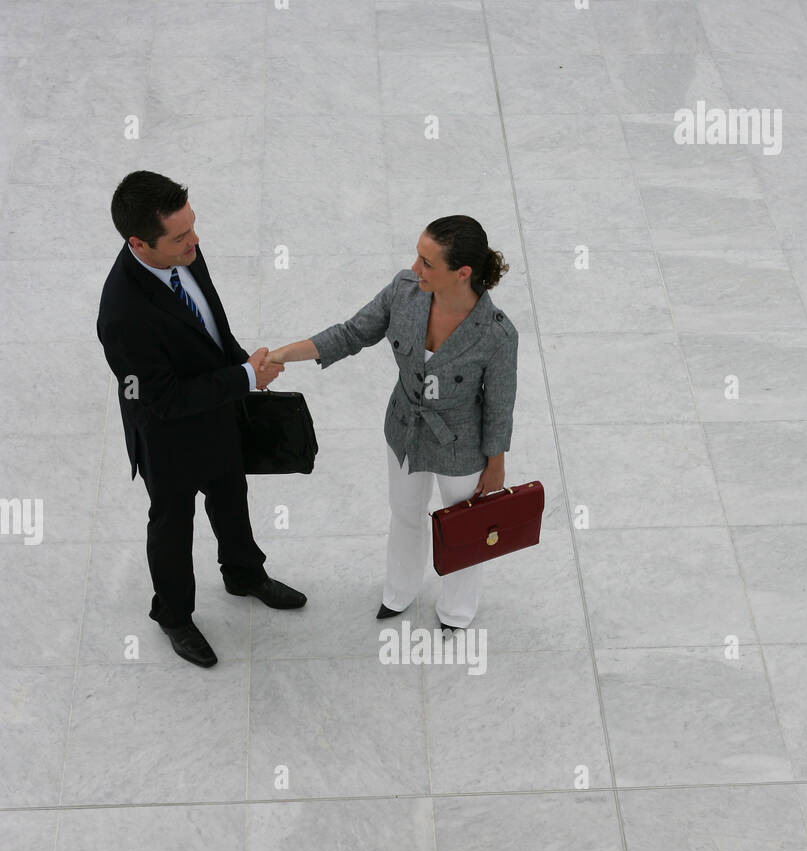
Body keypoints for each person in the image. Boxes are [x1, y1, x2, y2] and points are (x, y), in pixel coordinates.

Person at [266, 215, 518, 631]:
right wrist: (281, 355)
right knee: (404, 513)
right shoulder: (405, 293)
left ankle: (457, 609)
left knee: (466, 525)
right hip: (404, 429)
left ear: (463, 273)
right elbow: (349, 334)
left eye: (427, 262)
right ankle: (400, 591)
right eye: (417, 257)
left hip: (462, 444)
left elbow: (499, 404)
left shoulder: (497, 335)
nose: (415, 268)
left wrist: (496, 463)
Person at [96, 170, 305, 669]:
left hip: (217, 414)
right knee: (172, 524)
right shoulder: (122, 314)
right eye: (180, 235)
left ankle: (244, 574)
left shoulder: (182, 251)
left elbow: (209, 321)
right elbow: (161, 400)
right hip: (168, 437)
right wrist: (244, 379)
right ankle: (173, 615)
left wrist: (243, 366)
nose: (195, 240)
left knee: (231, 494)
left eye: (193, 227)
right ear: (138, 243)